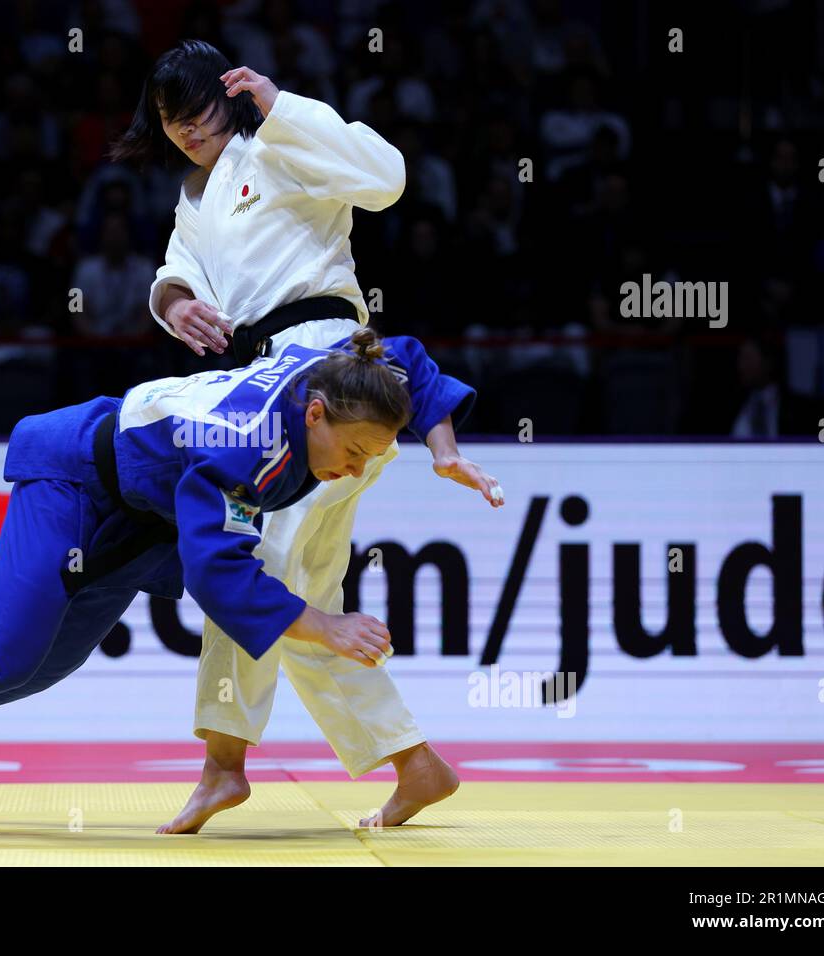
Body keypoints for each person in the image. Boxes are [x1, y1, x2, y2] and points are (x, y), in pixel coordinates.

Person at [0, 331, 477, 804]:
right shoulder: (241, 445)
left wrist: (441, 446)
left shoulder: (341, 369)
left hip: (148, 506)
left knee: (49, 663)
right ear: (315, 414)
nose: (354, 470)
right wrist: (323, 623)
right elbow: (217, 574)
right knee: (4, 650)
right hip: (76, 476)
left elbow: (406, 358)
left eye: (371, 460)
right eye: (353, 452)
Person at [111, 41, 504, 833]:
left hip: (328, 371)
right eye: (170, 123)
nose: (186, 134)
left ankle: (223, 767)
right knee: (307, 600)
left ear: (231, 96)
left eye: (197, 115)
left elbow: (387, 178)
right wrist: (176, 302)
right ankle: (412, 762)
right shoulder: (196, 194)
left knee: (246, 565)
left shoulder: (284, 142)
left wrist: (281, 106)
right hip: (267, 382)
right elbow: (176, 268)